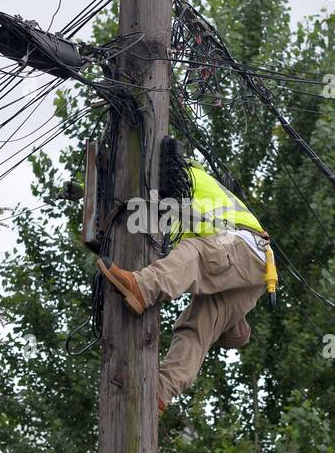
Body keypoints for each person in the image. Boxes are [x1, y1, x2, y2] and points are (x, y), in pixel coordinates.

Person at [96, 140, 273, 413]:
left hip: (245, 247)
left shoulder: (186, 177)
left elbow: (190, 255)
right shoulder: (178, 205)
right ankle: (160, 392)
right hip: (255, 269)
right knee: (194, 328)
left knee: (197, 254)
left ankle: (142, 287)